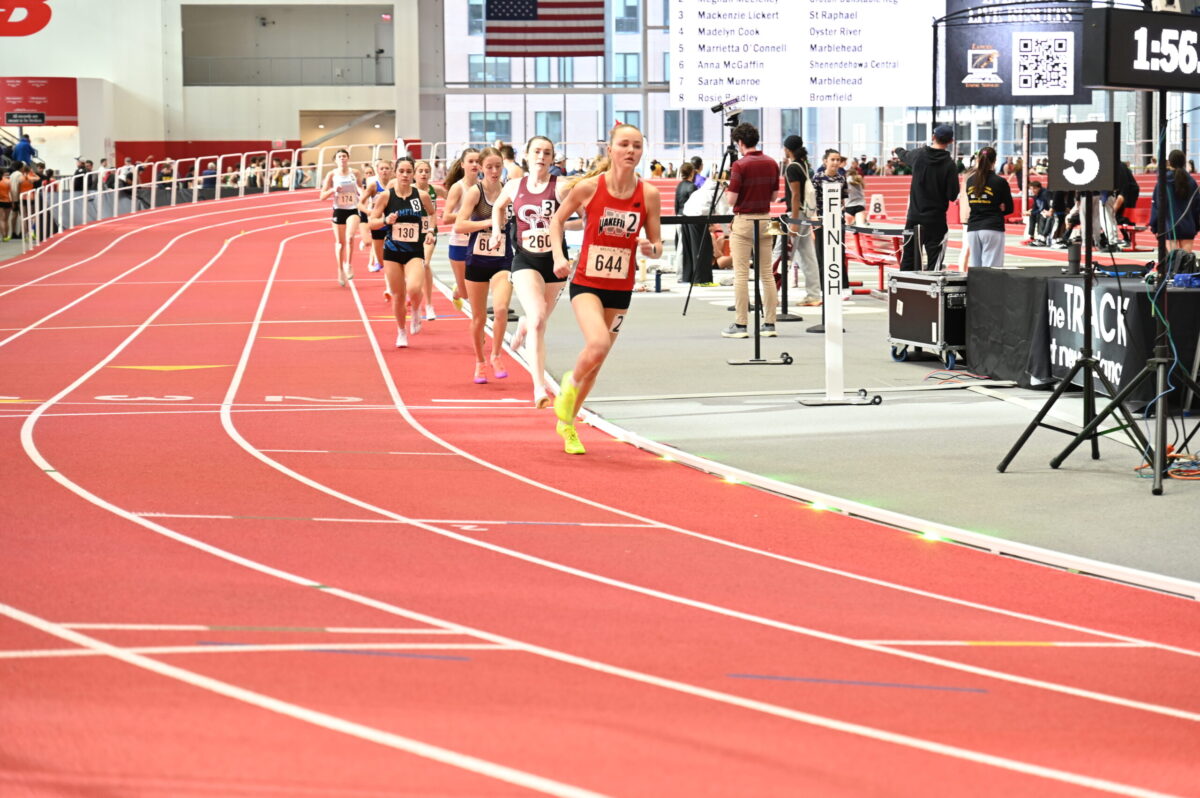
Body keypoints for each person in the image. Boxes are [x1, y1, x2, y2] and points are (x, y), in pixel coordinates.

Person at [549, 123, 662, 455]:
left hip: (620, 288)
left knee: (597, 361)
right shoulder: (588, 188)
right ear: (610, 150)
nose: (630, 151)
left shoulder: (649, 195)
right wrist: (559, 256)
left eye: (637, 146)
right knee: (596, 343)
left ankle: (567, 423)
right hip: (586, 283)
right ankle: (567, 387)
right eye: (624, 145)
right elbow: (557, 220)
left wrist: (649, 249)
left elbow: (657, 244)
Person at [491, 135, 571, 407]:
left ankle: (523, 324)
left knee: (537, 320)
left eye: (547, 152)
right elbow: (498, 208)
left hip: (556, 261)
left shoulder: (560, 187)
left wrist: (560, 227)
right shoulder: (514, 186)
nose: (541, 156)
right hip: (525, 259)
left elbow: (583, 217)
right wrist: (497, 231)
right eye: (536, 151)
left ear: (552, 158)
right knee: (539, 320)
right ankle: (539, 388)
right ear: (526, 155)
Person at [454, 147, 514, 384]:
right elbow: (459, 225)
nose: (494, 171)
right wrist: (491, 222)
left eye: (498, 166)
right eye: (489, 167)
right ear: (480, 168)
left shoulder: (509, 190)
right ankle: (479, 362)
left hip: (503, 260)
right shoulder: (474, 193)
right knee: (478, 317)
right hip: (477, 259)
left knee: (500, 309)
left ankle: (496, 354)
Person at [720, 122, 779, 339]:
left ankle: (741, 324)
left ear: (740, 142)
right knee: (767, 274)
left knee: (741, 275)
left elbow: (731, 199)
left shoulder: (739, 166)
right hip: (765, 219)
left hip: (744, 220)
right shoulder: (772, 163)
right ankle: (770, 324)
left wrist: (727, 187)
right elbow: (774, 197)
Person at [370, 157, 434, 348]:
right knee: (398, 295)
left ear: (413, 173)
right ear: (395, 173)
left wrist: (430, 230)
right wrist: (385, 221)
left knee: (414, 288)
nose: (405, 175)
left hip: (415, 250)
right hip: (392, 251)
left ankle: (415, 309)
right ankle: (401, 332)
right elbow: (372, 222)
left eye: (408, 171)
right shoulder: (386, 197)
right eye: (401, 171)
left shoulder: (421, 196)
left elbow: (431, 214)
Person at [894, 124, 959, 270]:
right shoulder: (950, 165)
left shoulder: (918, 155)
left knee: (908, 259)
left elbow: (904, 155)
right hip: (936, 219)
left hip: (914, 217)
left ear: (932, 137)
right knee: (934, 262)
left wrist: (897, 150)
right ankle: (931, 291)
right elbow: (952, 195)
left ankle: (905, 290)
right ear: (951, 141)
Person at [781, 135, 821, 306]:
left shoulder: (792, 168)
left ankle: (772, 295)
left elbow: (796, 195)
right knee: (807, 255)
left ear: (787, 149)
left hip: (796, 215)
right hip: (805, 214)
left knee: (781, 253)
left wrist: (793, 222)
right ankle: (814, 295)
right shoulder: (804, 165)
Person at [440, 148, 480, 310]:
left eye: (478, 161)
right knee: (465, 293)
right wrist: (465, 214)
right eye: (471, 161)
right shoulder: (458, 188)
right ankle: (457, 292)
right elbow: (446, 217)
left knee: (477, 287)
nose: (475, 165)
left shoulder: (483, 187)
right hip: (459, 243)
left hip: (478, 243)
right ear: (463, 164)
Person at [317, 148, 363, 287]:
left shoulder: (355, 173)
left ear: (348, 158)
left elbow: (361, 189)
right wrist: (333, 190)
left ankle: (348, 264)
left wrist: (362, 193)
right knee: (340, 243)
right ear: (335, 160)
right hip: (338, 210)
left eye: (344, 156)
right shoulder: (331, 175)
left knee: (350, 237)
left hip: (353, 209)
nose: (342, 158)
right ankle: (340, 269)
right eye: (339, 157)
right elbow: (321, 196)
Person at [964, 146, 1013, 268]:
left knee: (976, 267)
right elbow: (1009, 208)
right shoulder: (999, 181)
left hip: (973, 228)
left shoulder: (970, 181)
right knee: (992, 269)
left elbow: (972, 203)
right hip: (992, 226)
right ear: (995, 160)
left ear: (979, 160)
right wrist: (998, 208)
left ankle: (976, 288)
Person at [414, 159, 447, 321]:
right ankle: (413, 293)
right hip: (411, 234)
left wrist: (446, 212)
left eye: (426, 171)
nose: (424, 174)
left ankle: (428, 305)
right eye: (420, 171)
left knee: (425, 263)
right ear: (414, 174)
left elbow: (452, 199)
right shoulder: (409, 190)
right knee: (413, 268)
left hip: (429, 232)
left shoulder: (436, 190)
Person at [1149, 149, 1200, 253]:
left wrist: (1154, 226)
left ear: (1170, 162)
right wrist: (1196, 227)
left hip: (1169, 227)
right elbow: (1197, 207)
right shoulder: (1192, 182)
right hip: (1188, 227)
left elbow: (1157, 206)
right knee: (1186, 263)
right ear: (1184, 162)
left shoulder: (1163, 182)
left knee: (1173, 264)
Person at [359, 158, 393, 275]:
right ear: (377, 171)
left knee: (392, 256)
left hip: (392, 223)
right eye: (382, 169)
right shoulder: (374, 185)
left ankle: (392, 285)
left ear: (392, 170)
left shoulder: (396, 184)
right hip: (378, 223)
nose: (384, 171)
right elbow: (360, 203)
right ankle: (379, 264)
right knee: (381, 260)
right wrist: (369, 212)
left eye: (387, 168)